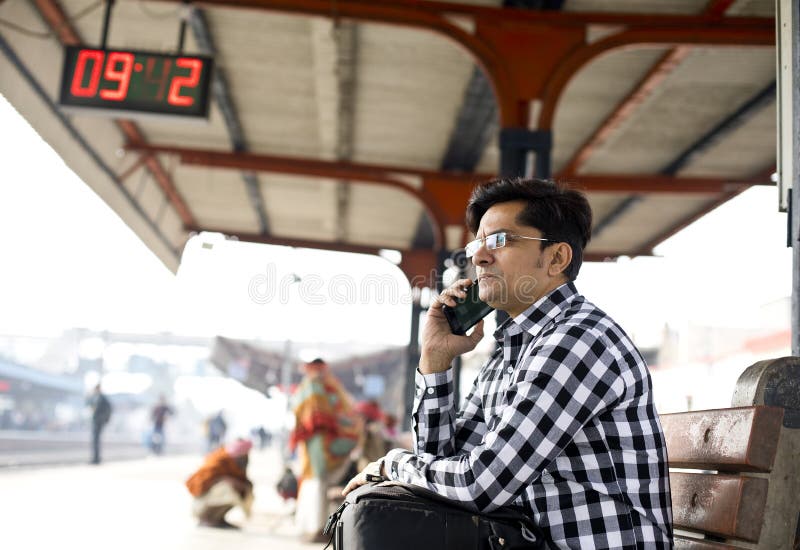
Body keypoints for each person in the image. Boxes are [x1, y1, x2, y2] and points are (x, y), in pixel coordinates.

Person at [344, 178, 673, 549]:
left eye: (499, 241)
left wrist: (391, 464)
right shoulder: (513, 348)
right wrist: (436, 361)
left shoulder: (578, 341)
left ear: (556, 258)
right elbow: (444, 467)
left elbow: (480, 484)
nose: (479, 257)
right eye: (477, 243)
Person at [290, 358, 360, 543]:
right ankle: (316, 528)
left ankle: (315, 526)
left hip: (322, 440)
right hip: (317, 441)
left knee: (316, 481)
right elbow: (315, 416)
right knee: (317, 482)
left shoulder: (326, 385)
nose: (319, 372)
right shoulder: (312, 386)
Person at [185, 438, 254, 529]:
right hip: (201, 502)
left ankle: (218, 519)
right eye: (245, 454)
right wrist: (224, 480)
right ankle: (206, 519)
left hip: (214, 495)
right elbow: (197, 484)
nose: (246, 456)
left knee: (245, 490)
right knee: (227, 489)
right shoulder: (220, 460)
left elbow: (243, 482)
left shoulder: (237, 463)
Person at [86, 383, 112, 464]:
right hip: (95, 421)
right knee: (95, 440)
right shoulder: (94, 397)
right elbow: (88, 404)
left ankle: (96, 459)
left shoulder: (103, 398)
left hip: (99, 421)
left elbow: (109, 409)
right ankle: (95, 458)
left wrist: (104, 419)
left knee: (96, 440)